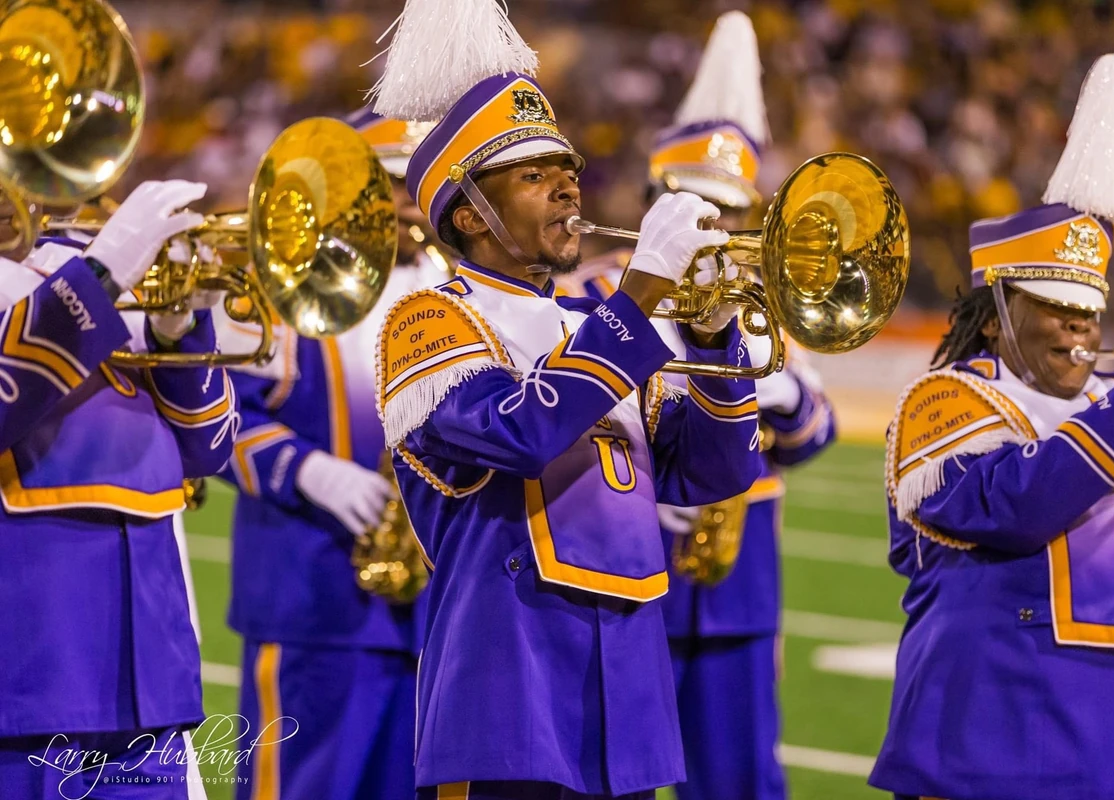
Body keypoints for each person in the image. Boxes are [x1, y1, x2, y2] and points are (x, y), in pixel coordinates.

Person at [369, 0, 762, 797]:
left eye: (568, 170)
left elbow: (716, 473)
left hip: (632, 688)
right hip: (507, 681)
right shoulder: (429, 322)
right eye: (534, 174)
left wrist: (716, 336)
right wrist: (641, 293)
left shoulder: (593, 324)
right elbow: (522, 433)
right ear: (469, 212)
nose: (567, 188)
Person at [869, 51, 1114, 800]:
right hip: (1008, 744)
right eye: (1053, 306)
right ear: (995, 318)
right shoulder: (946, 400)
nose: (1078, 326)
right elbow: (1011, 505)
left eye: (1088, 310)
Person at [568, 13, 835, 800]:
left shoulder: (763, 303)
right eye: (696, 206)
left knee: (740, 780)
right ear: (656, 202)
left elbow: (815, 433)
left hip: (736, 586)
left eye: (730, 211)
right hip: (620, 575)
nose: (716, 227)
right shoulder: (594, 293)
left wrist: (777, 386)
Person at [220, 109, 445, 800]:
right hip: (308, 598)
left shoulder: (452, 290)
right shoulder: (278, 285)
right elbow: (215, 415)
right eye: (394, 185)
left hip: (431, 616)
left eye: (423, 186)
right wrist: (307, 471)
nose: (411, 205)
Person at [0, 179, 237, 798]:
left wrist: (178, 328)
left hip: (151, 673)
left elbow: (207, 449)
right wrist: (100, 276)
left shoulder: (82, 262)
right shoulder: (95, 271)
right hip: (25, 663)